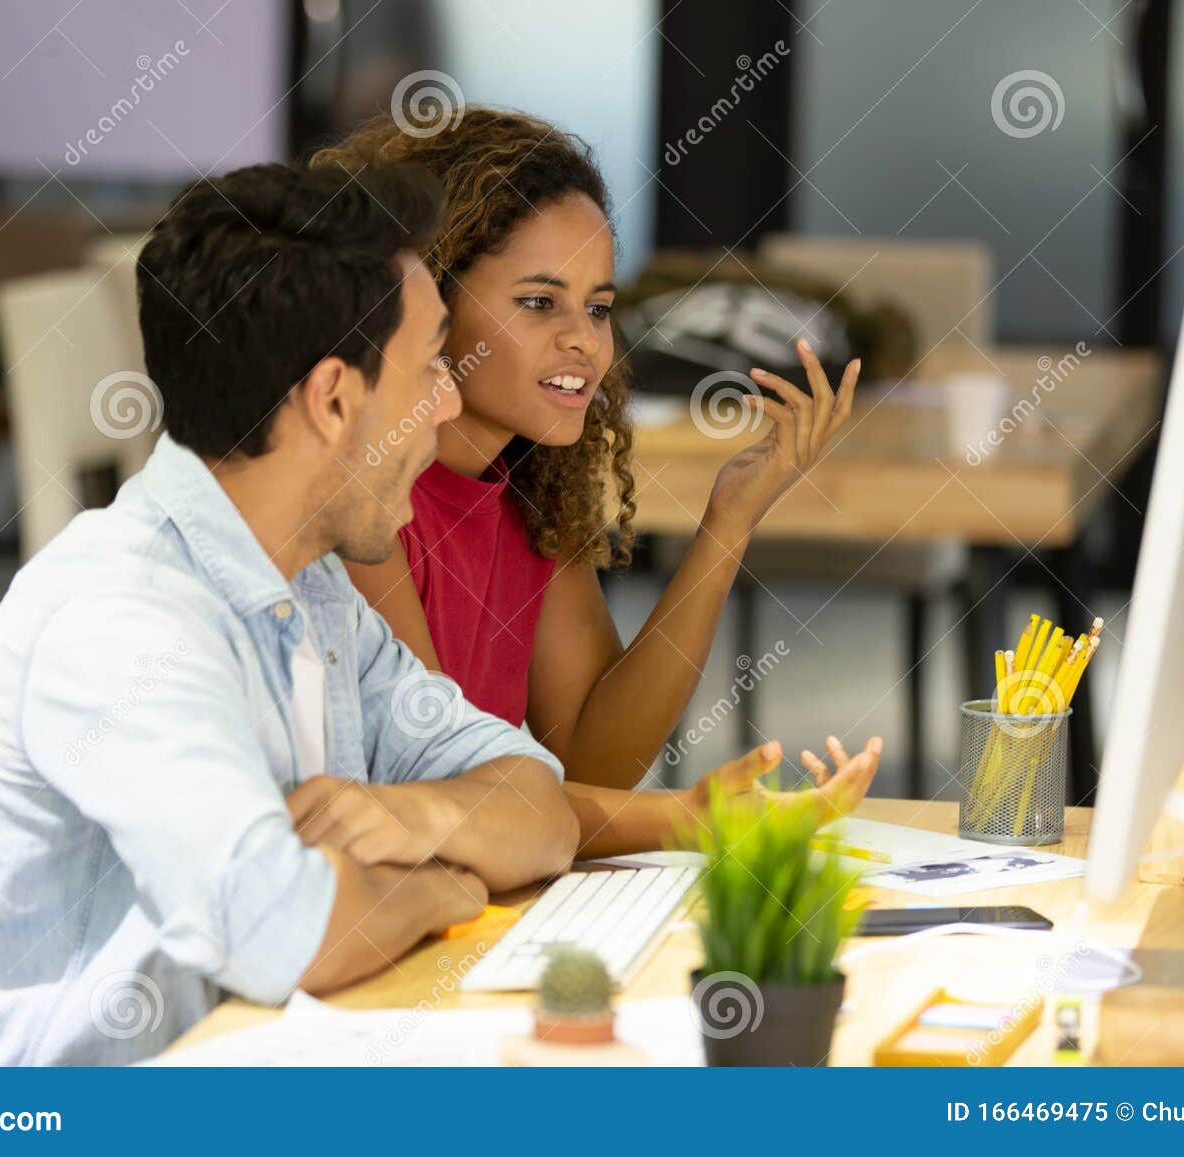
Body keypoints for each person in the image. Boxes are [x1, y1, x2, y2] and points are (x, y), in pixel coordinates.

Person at [0, 162, 578, 1065]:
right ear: (335, 399)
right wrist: (437, 888)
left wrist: (416, 822)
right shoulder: (122, 618)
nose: (448, 402)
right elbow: (284, 930)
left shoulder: (312, 586)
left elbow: (538, 803)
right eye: (429, 370)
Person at [313, 109, 882, 857]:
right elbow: (438, 783)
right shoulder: (366, 503)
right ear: (427, 301)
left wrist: (731, 516)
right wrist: (693, 818)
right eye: (539, 302)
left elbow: (593, 753)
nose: (584, 339)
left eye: (600, 308)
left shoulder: (528, 484)